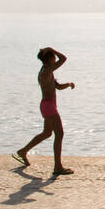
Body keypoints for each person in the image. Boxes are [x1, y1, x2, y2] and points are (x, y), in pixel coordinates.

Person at [13, 47, 75, 176]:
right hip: (48, 106)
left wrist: (68, 84)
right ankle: (58, 167)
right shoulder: (46, 70)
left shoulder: (48, 71)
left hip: (48, 105)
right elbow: (63, 58)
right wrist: (52, 49)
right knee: (59, 134)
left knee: (47, 133)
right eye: (53, 56)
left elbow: (57, 86)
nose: (55, 59)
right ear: (49, 59)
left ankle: (23, 151)